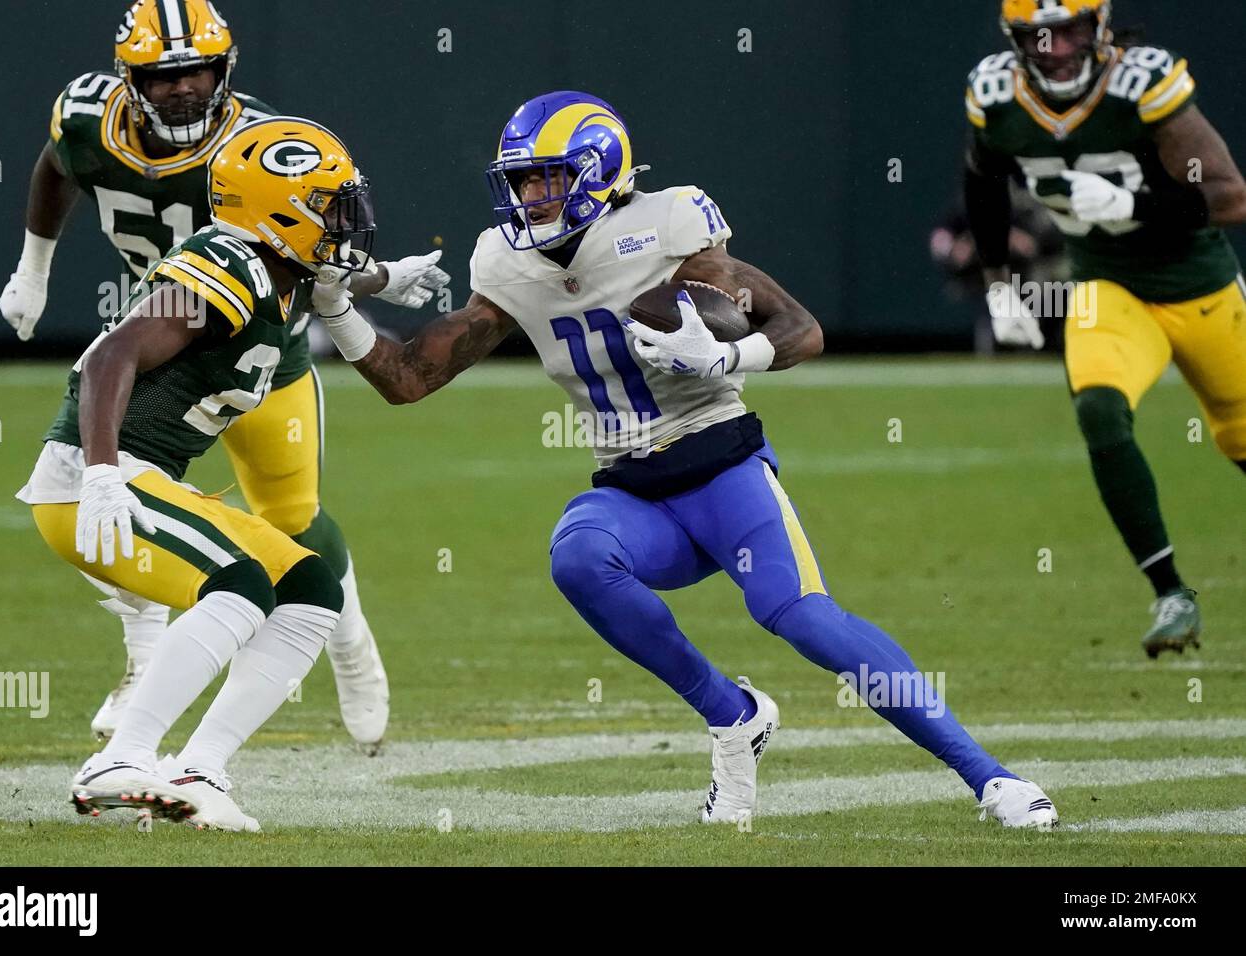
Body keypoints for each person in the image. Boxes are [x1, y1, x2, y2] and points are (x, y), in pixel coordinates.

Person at [311, 91, 1058, 829]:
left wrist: (728, 353)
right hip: (633, 489)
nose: (529, 198)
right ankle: (733, 715)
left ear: (598, 171)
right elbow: (408, 380)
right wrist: (338, 309)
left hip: (722, 465)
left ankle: (992, 777)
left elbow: (801, 329)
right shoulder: (506, 262)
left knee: (803, 618)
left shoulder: (666, 223)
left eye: (546, 179)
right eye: (521, 182)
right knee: (578, 557)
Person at [0, 0, 445, 749]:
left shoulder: (262, 146)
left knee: (290, 515)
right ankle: (146, 666)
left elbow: (309, 241)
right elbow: (58, 166)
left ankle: (346, 635)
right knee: (129, 485)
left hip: (261, 338)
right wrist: (32, 268)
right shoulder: (88, 121)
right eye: (163, 76)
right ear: (129, 79)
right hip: (176, 320)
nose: (183, 88)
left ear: (225, 68)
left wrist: (374, 277)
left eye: (197, 71)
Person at [965, 0, 1246, 656]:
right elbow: (982, 182)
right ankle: (1171, 593)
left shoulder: (1141, 85)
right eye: (1040, 35)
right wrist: (1000, 284)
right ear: (1014, 39)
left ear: (1099, 27)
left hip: (1199, 289)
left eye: (1070, 31)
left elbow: (1231, 197)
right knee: (1098, 406)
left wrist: (1133, 203)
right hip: (1107, 285)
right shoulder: (996, 96)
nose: (1057, 49)